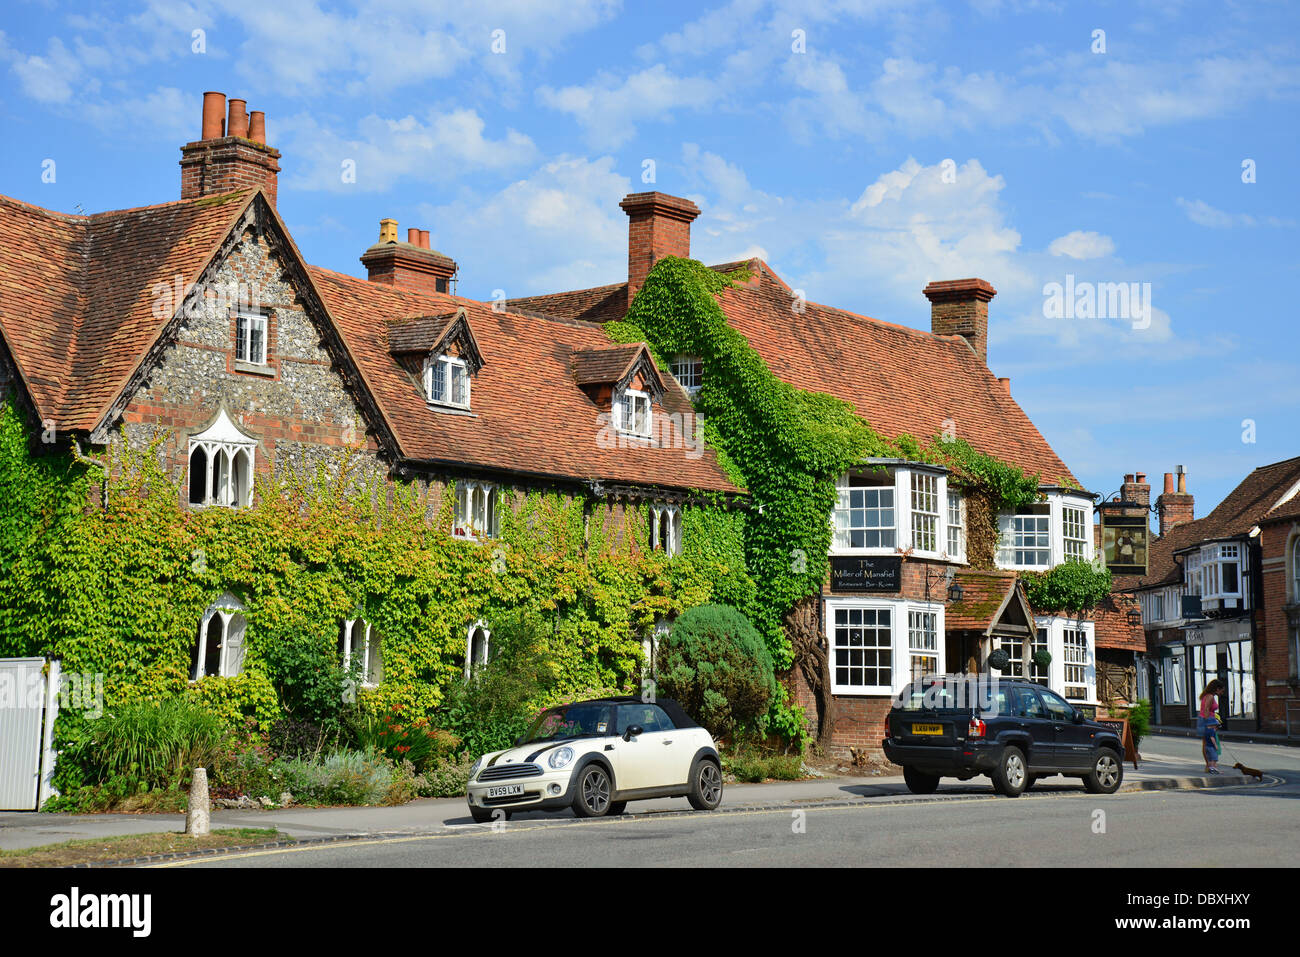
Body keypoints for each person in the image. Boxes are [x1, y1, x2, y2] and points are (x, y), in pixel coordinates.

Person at [1198, 679, 1225, 773]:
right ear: (1217, 689)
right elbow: (1206, 710)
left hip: (1206, 720)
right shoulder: (1210, 696)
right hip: (1207, 721)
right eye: (1222, 690)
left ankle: (1209, 766)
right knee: (1209, 744)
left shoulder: (1208, 696)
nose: (1222, 692)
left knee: (1206, 744)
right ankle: (1210, 766)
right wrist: (1209, 724)